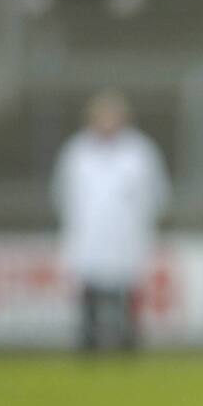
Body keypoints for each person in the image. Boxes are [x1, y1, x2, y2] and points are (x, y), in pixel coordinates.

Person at [51, 89, 170, 351]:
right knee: (88, 287)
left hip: (126, 235)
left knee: (128, 288)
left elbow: (157, 194)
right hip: (87, 235)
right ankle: (88, 338)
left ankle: (129, 339)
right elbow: (62, 193)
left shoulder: (140, 152)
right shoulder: (77, 152)